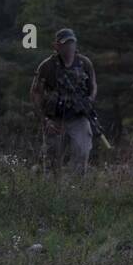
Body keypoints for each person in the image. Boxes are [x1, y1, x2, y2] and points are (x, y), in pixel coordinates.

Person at [31, 28, 98, 174]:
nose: (69, 47)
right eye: (65, 43)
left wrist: (90, 100)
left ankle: (75, 189)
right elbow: (36, 92)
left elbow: (93, 85)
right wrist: (44, 120)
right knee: (51, 161)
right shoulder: (47, 66)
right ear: (56, 46)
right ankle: (49, 190)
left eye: (71, 43)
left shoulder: (84, 63)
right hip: (55, 119)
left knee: (82, 154)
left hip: (79, 117)